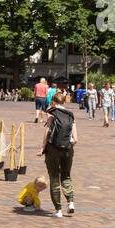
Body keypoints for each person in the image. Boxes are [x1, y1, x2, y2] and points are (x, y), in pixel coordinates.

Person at [37, 90, 77, 218]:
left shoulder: (52, 114)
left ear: (53, 102)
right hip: (68, 149)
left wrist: (42, 148)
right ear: (64, 101)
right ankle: (70, 202)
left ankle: (58, 210)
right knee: (66, 176)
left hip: (53, 149)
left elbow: (47, 132)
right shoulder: (70, 115)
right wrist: (69, 146)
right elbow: (76, 138)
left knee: (54, 177)